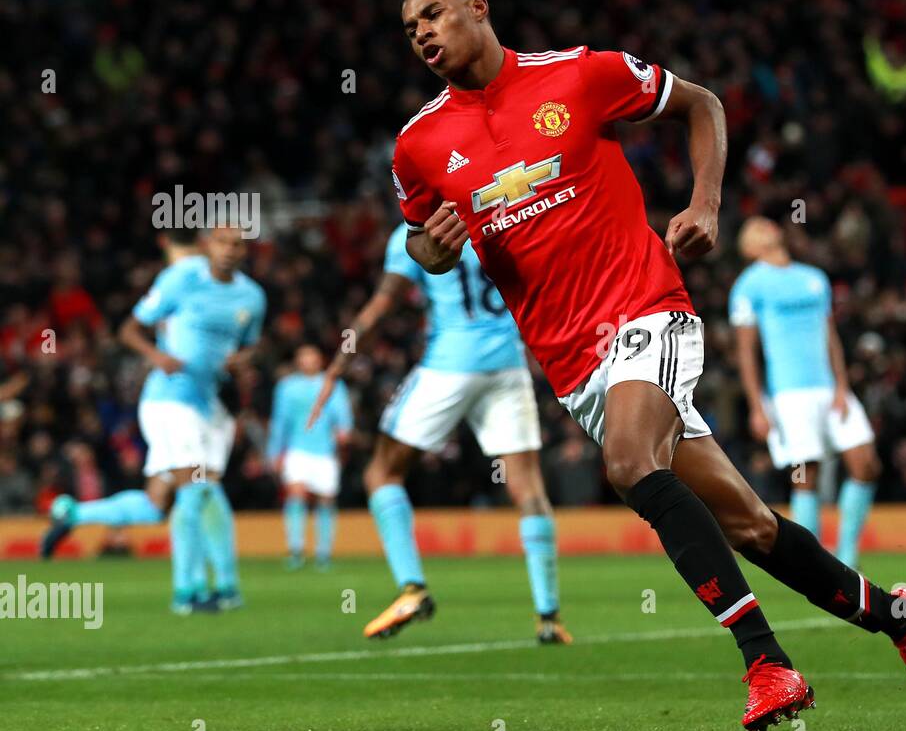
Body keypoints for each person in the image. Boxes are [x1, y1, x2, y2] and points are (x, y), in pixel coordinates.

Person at [395, 0, 906, 730]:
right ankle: (901, 621)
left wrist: (705, 203)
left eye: (433, 14)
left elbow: (702, 103)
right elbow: (420, 243)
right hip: (572, 365)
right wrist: (431, 249)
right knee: (752, 526)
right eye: (410, 28)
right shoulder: (420, 143)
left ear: (478, 7)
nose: (423, 32)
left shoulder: (581, 75)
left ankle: (767, 664)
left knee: (630, 466)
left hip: (648, 310)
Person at [309, 224, 569, 644]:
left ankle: (412, 588)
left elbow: (378, 309)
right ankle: (548, 616)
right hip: (507, 365)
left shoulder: (411, 234)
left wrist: (338, 366)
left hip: (449, 364)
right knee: (528, 487)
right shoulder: (495, 218)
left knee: (381, 473)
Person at [41, 223, 265, 613]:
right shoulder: (181, 279)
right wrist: (157, 357)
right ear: (207, 245)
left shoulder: (253, 297)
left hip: (212, 406)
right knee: (200, 485)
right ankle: (192, 593)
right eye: (223, 242)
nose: (230, 250)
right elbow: (128, 329)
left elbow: (253, 346)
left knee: (157, 504)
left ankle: (73, 513)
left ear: (246, 251)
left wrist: (242, 361)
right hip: (170, 400)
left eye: (238, 244)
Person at [730, 216, 881, 568]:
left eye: (767, 223)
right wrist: (757, 405)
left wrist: (842, 385)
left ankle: (846, 554)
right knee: (805, 476)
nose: (766, 227)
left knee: (866, 464)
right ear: (749, 248)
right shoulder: (749, 286)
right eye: (754, 229)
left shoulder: (815, 279)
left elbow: (830, 337)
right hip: (788, 395)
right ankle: (816, 566)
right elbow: (746, 351)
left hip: (829, 389)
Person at [268, 344, 353, 569]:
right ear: (298, 361)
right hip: (297, 449)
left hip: (325, 451)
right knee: (296, 496)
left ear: (320, 359)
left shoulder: (333, 384)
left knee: (326, 500)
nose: (308, 360)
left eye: (312, 356)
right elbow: (280, 422)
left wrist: (344, 433)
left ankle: (323, 553)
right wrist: (275, 452)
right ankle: (295, 549)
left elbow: (343, 418)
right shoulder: (286, 387)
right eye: (303, 356)